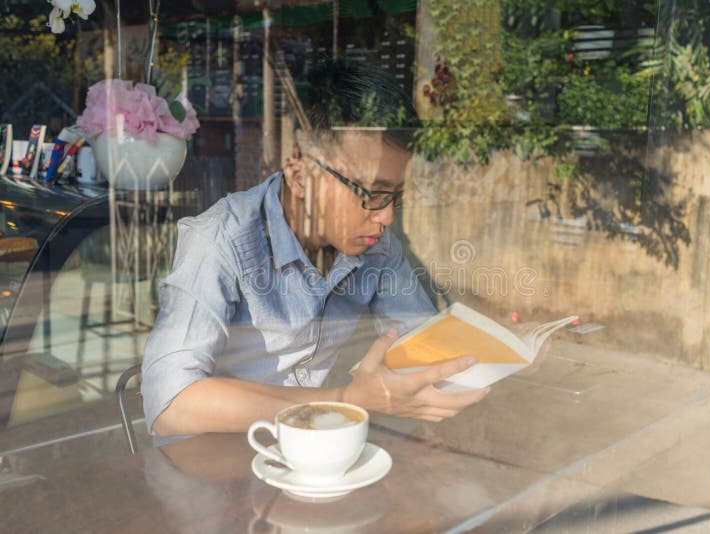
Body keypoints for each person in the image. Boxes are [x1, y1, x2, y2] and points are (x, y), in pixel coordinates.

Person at [141, 63, 490, 444]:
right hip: (214, 460)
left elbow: (420, 342)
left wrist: (496, 354)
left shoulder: (375, 245)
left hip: (317, 449)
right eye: (372, 192)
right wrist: (343, 401)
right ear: (300, 174)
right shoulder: (222, 238)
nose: (386, 215)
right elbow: (170, 404)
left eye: (396, 196)